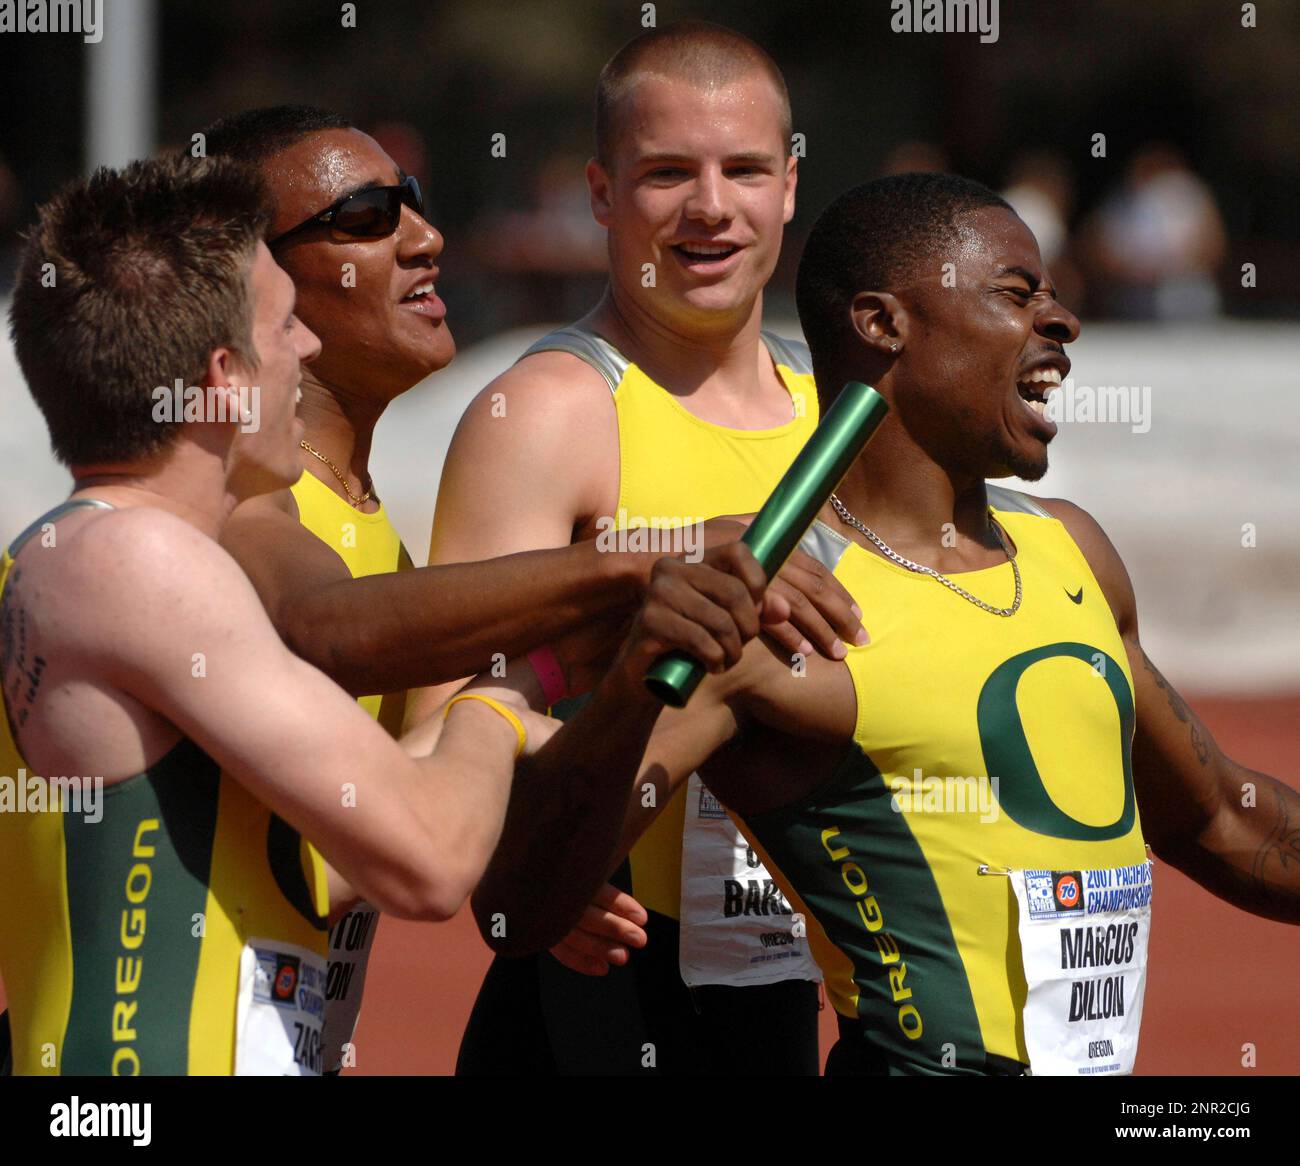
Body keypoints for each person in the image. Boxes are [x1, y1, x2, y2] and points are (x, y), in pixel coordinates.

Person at [473, 172, 1300, 1076]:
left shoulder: (1073, 552)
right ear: (882, 324)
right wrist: (636, 673)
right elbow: (517, 903)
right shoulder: (777, 605)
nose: (1060, 321)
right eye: (1017, 294)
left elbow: (1221, 818)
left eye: (1056, 295)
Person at [0, 153, 765, 1076]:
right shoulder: (138, 559)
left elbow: (335, 855)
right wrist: (511, 693)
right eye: (285, 327)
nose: (310, 350)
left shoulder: (82, 560)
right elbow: (428, 856)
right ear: (223, 376)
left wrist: (547, 674)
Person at [199, 103, 849, 1072]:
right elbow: (330, 636)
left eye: (413, 204)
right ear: (252, 281)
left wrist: (562, 816)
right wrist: (638, 568)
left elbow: (417, 783)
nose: (426, 238)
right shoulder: (229, 503)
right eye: (367, 216)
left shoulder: (371, 535)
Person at [418, 21, 868, 1075]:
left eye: (744, 169)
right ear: (600, 191)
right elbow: (443, 720)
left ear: (790, 184)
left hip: (812, 974)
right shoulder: (545, 412)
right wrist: (547, 852)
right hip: (605, 978)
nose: (710, 207)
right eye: (667, 172)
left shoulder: (838, 419)